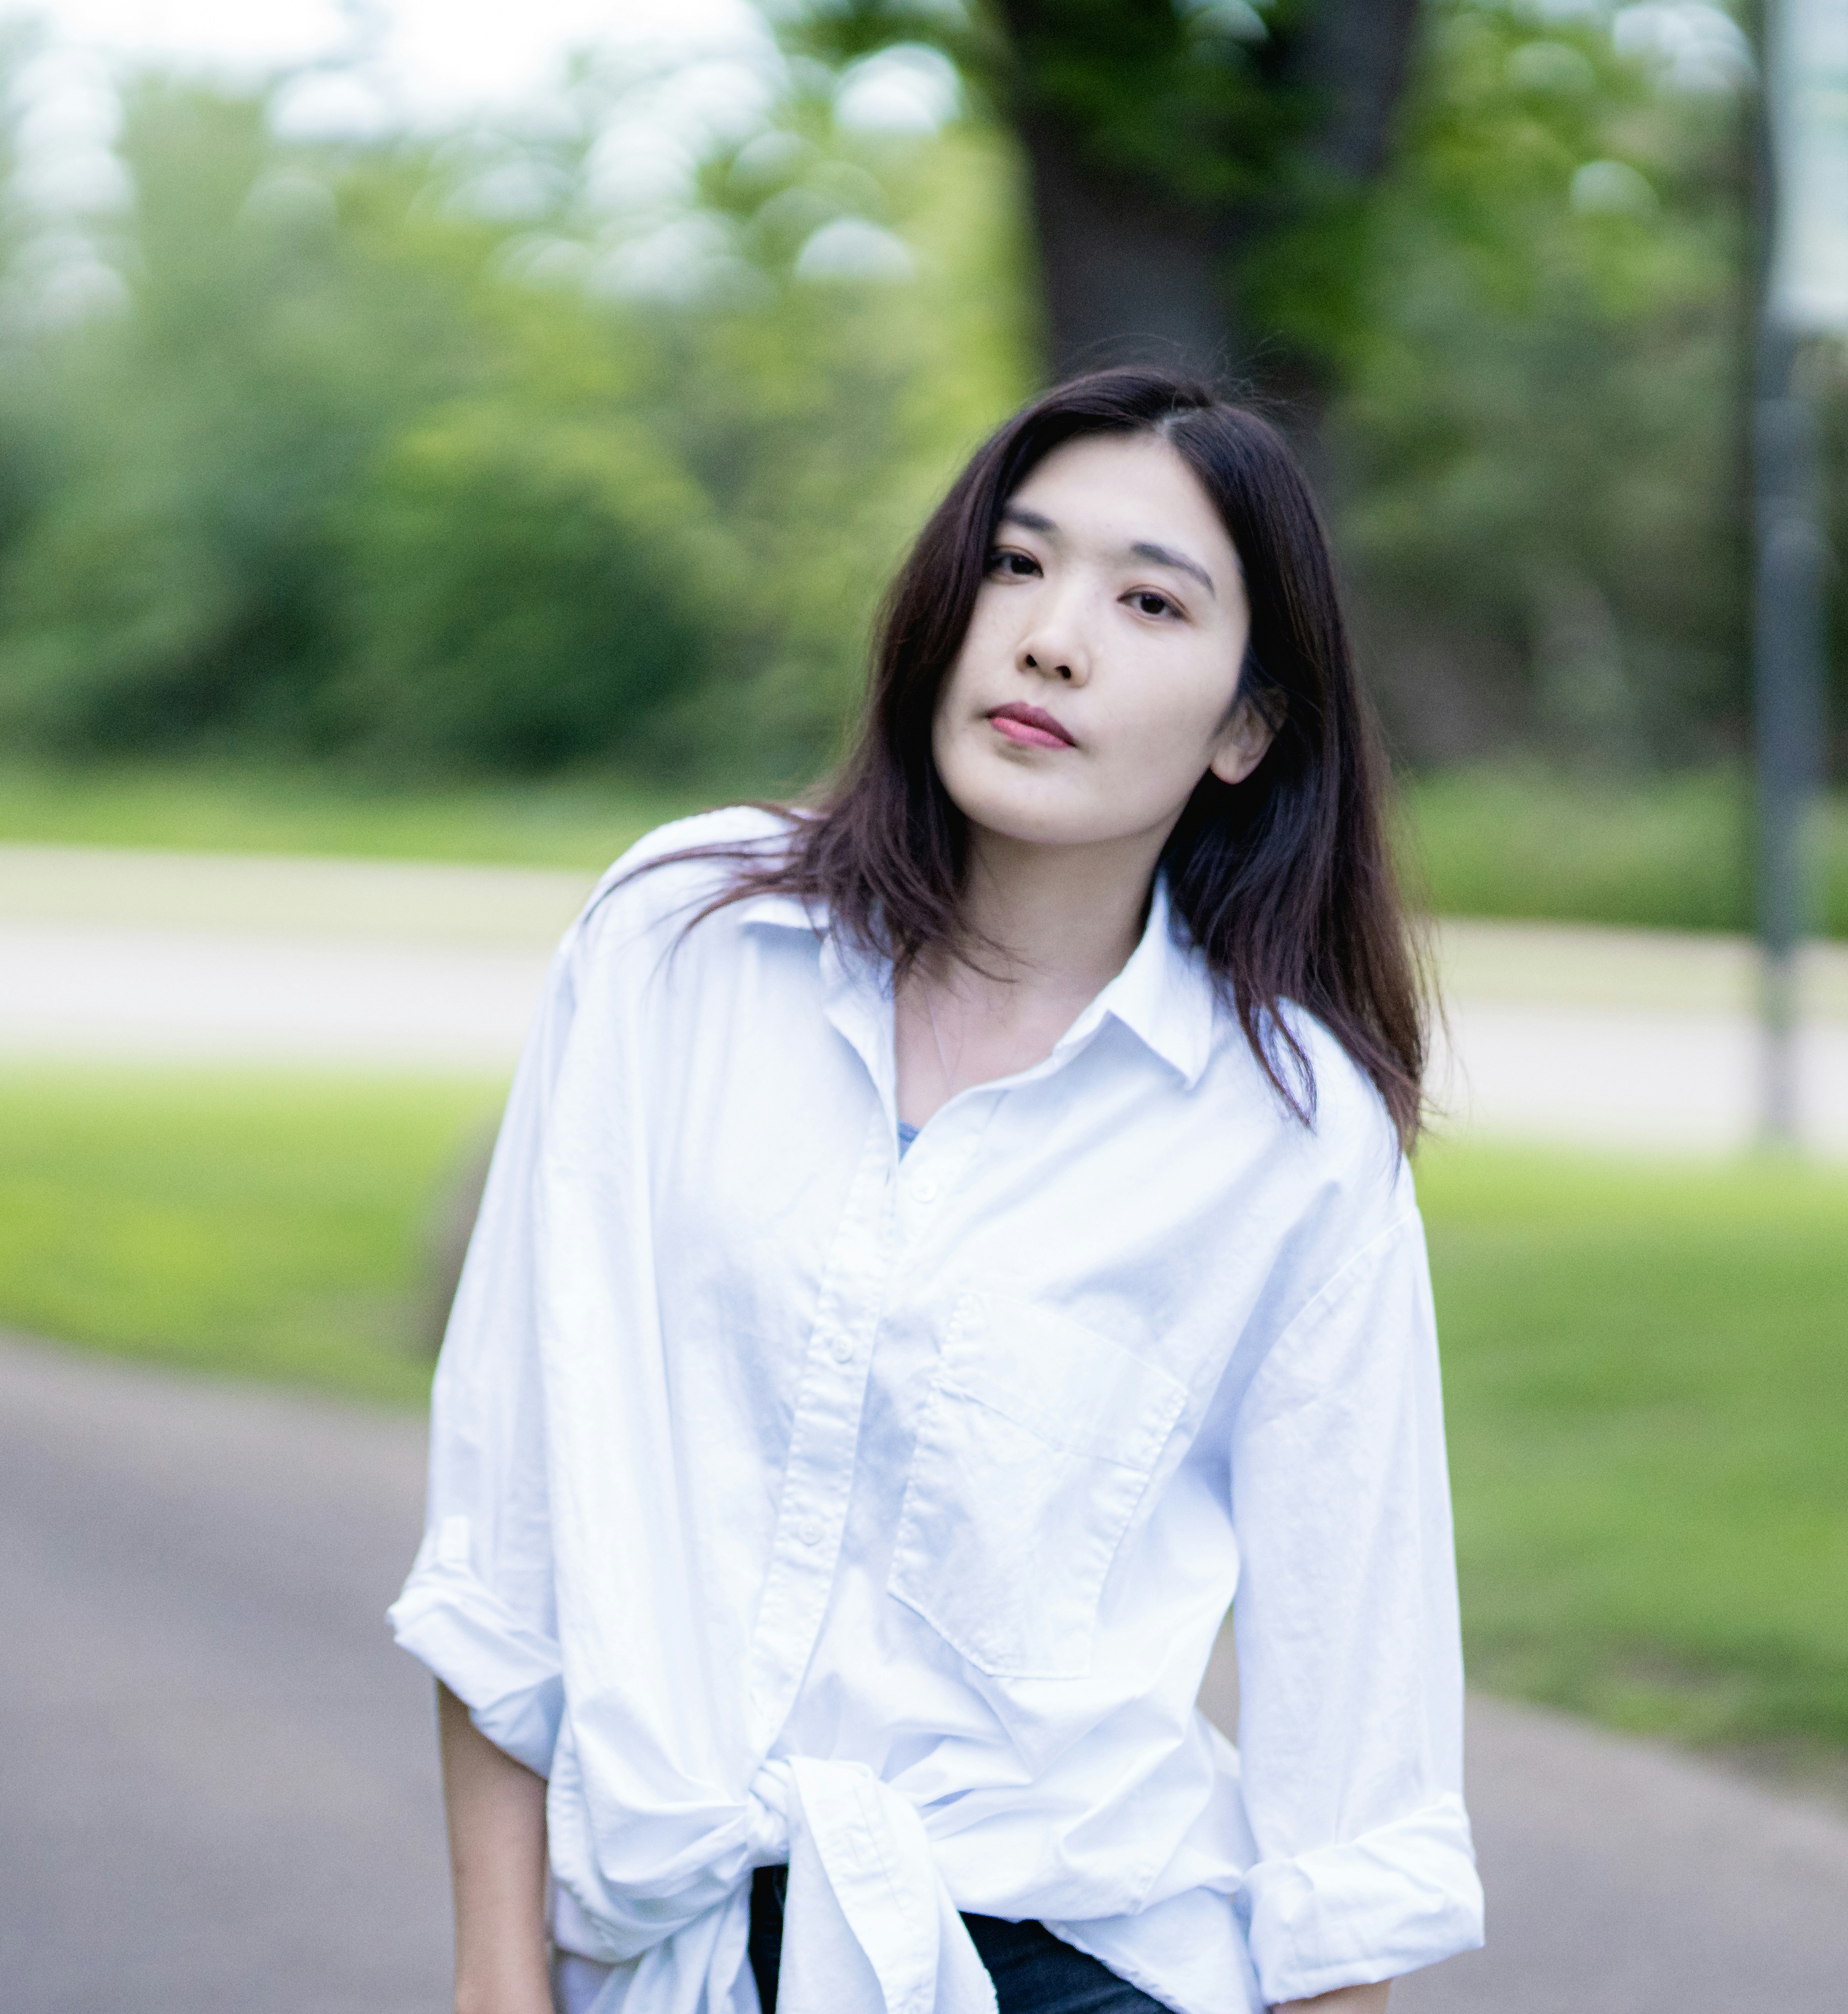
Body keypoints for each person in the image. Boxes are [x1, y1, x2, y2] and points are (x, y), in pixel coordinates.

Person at [390, 370, 1479, 2014]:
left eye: (1149, 601)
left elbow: (1355, 1744)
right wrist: (495, 1981)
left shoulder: (1292, 1132)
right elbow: (513, 1524)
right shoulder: (678, 945)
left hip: (1082, 1960)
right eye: (1016, 565)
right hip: (672, 1959)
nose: (1053, 638)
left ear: (1251, 726)